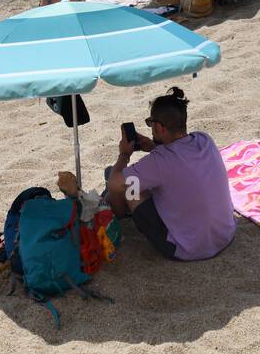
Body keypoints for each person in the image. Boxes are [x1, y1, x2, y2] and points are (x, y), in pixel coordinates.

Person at [100, 87, 235, 261]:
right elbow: (180, 163)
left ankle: (118, 217)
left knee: (127, 187)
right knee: (128, 179)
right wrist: (153, 147)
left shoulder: (159, 161)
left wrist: (124, 155)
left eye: (151, 123)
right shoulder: (204, 139)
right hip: (224, 235)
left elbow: (115, 183)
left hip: (187, 249)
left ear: (159, 127)